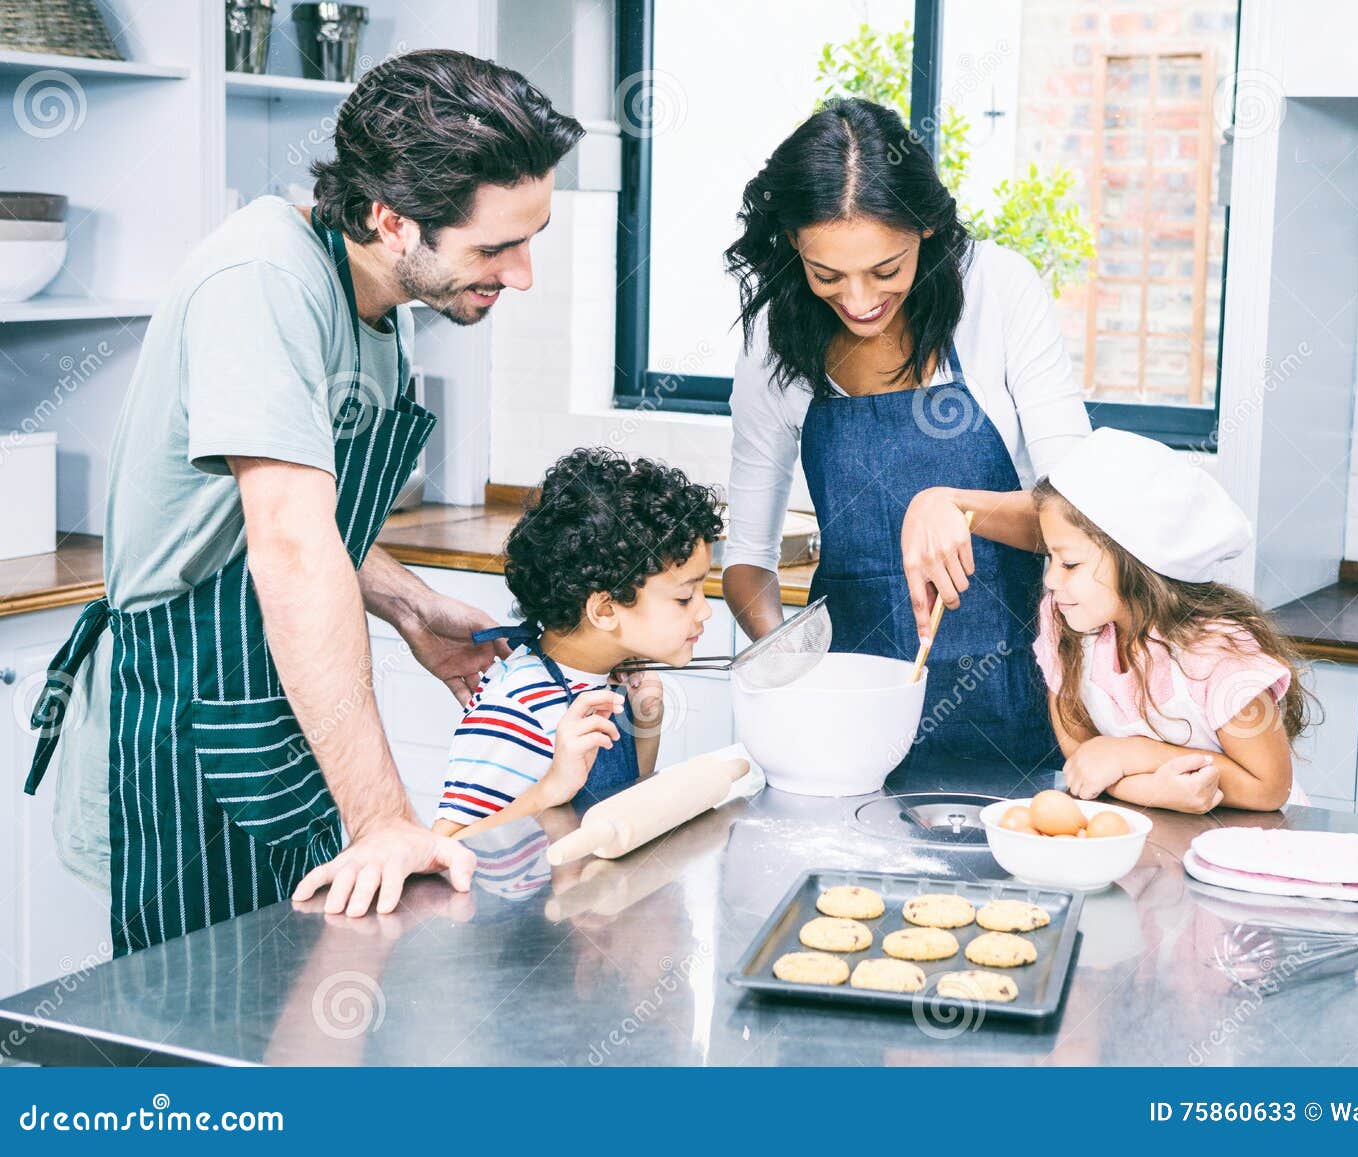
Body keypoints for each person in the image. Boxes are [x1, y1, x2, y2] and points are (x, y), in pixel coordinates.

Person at [24, 49, 584, 955]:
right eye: (496, 247)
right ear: (391, 218)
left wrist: (408, 605)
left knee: (306, 1013)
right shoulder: (267, 283)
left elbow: (299, 514)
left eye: (531, 237)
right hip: (192, 720)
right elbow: (286, 543)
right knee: (197, 1045)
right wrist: (385, 820)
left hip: (278, 714)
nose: (520, 273)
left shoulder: (378, 294)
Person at [721, 98, 1090, 769]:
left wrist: (957, 504)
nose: (859, 300)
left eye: (885, 270)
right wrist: (794, 670)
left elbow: (1083, 520)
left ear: (925, 229)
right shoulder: (773, 345)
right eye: (827, 275)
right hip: (851, 723)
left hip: (1019, 706)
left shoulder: (997, 293)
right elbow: (747, 559)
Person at [432, 449, 723, 836]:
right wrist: (553, 785)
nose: (705, 612)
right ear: (604, 610)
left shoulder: (612, 676)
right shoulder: (518, 707)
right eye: (685, 597)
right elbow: (447, 846)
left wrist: (647, 719)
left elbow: (621, 808)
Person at [1033, 428, 1311, 813]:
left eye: (1070, 563)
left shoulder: (1216, 651)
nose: (1050, 580)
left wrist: (1135, 753)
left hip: (1251, 846)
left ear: (1136, 562)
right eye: (1049, 558)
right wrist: (1151, 792)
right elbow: (1082, 761)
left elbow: (1269, 788)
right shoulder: (1064, 623)